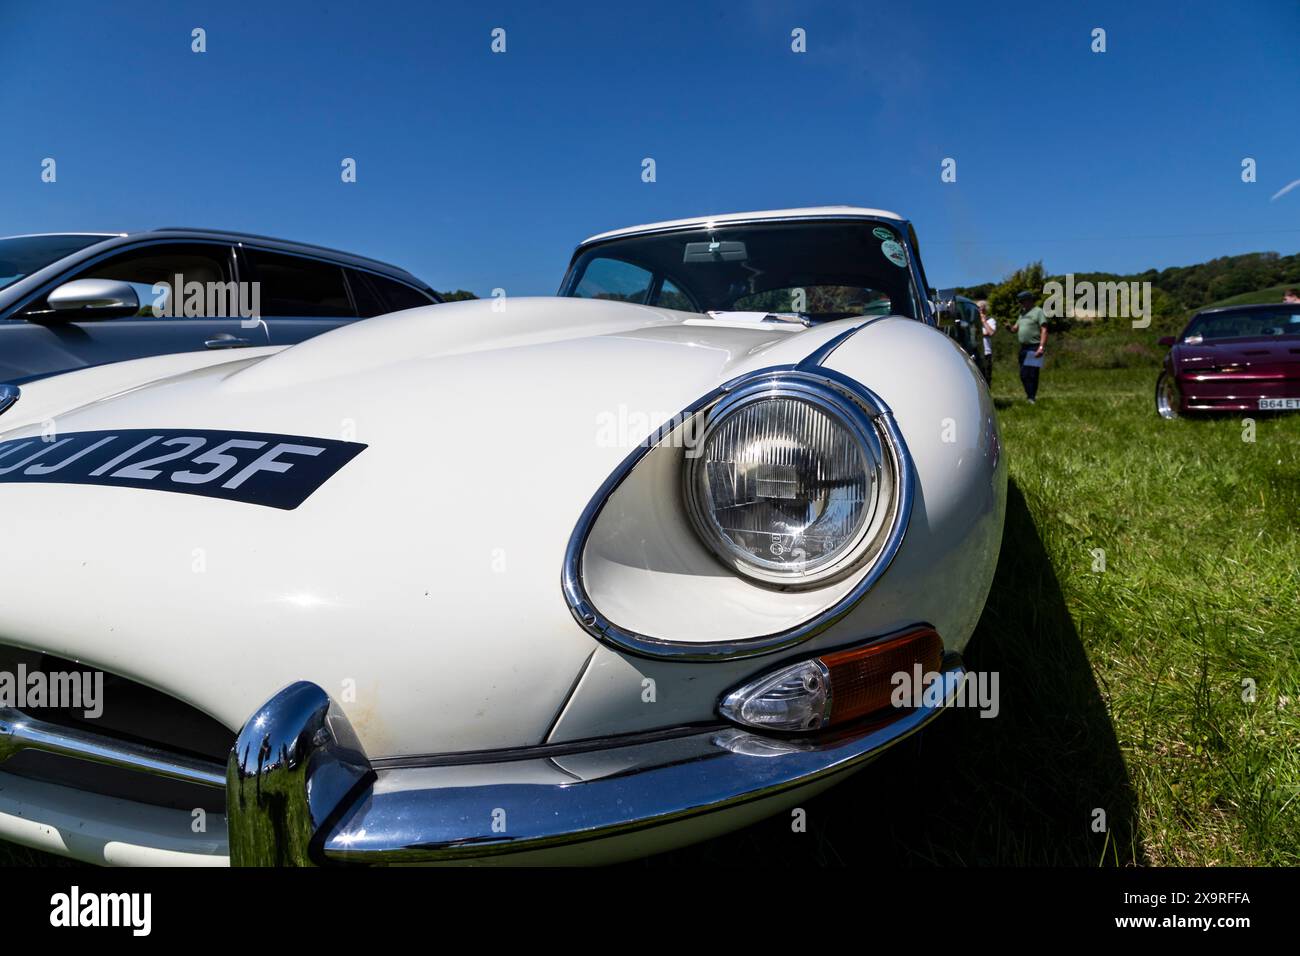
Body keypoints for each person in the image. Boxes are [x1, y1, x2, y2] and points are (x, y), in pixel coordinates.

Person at [1011, 290, 1048, 403]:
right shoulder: (1022, 313)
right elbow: (1015, 328)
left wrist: (1041, 347)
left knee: (1032, 373)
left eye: (1022, 301)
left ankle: (1031, 397)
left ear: (1029, 300)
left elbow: (1044, 329)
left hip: (1034, 347)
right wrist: (1009, 327)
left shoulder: (1038, 312)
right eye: (1020, 302)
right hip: (1023, 347)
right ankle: (1029, 395)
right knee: (1023, 374)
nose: (1021, 304)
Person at [976, 299, 996, 384]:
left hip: (986, 352)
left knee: (987, 375)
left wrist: (984, 321)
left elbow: (991, 332)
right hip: (976, 351)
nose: (981, 312)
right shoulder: (974, 321)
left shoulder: (991, 321)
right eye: (979, 309)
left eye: (982, 310)